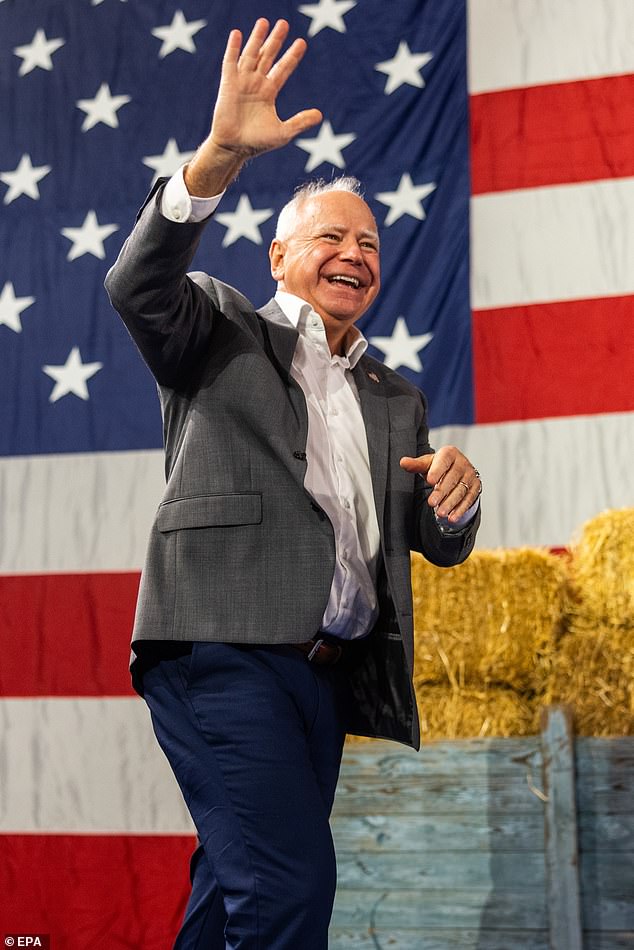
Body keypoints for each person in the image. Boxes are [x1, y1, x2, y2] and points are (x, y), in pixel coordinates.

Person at [106, 17, 481, 950]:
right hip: (221, 648)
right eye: (332, 237)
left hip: (325, 680)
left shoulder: (397, 396)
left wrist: (459, 497)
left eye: (371, 243)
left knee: (236, 895)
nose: (356, 253)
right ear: (279, 257)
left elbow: (431, 541)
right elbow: (136, 284)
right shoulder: (221, 328)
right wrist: (220, 153)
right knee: (290, 891)